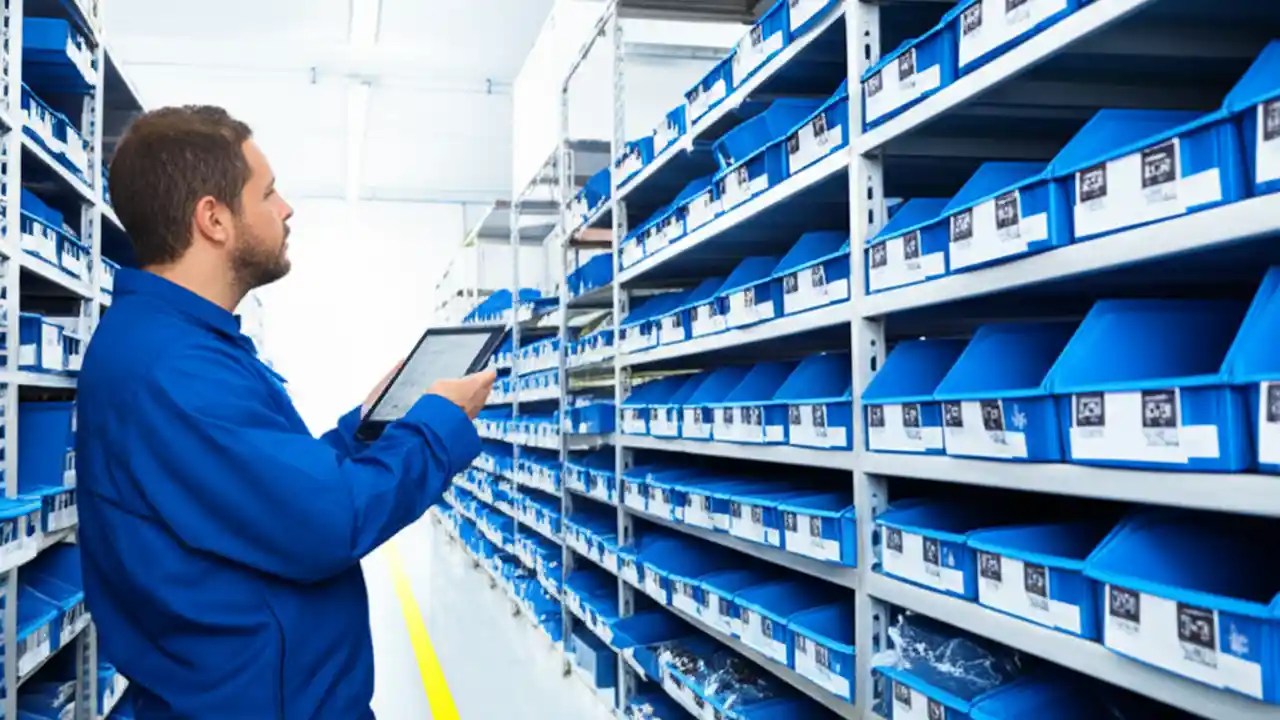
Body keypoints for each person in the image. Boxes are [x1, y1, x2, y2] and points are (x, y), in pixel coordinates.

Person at [75, 105, 495, 719]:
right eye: (267, 193)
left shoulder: (186, 344)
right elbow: (328, 523)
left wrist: (369, 425)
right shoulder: (173, 369)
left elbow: (266, 491)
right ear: (213, 219)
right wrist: (436, 428)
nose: (286, 208)